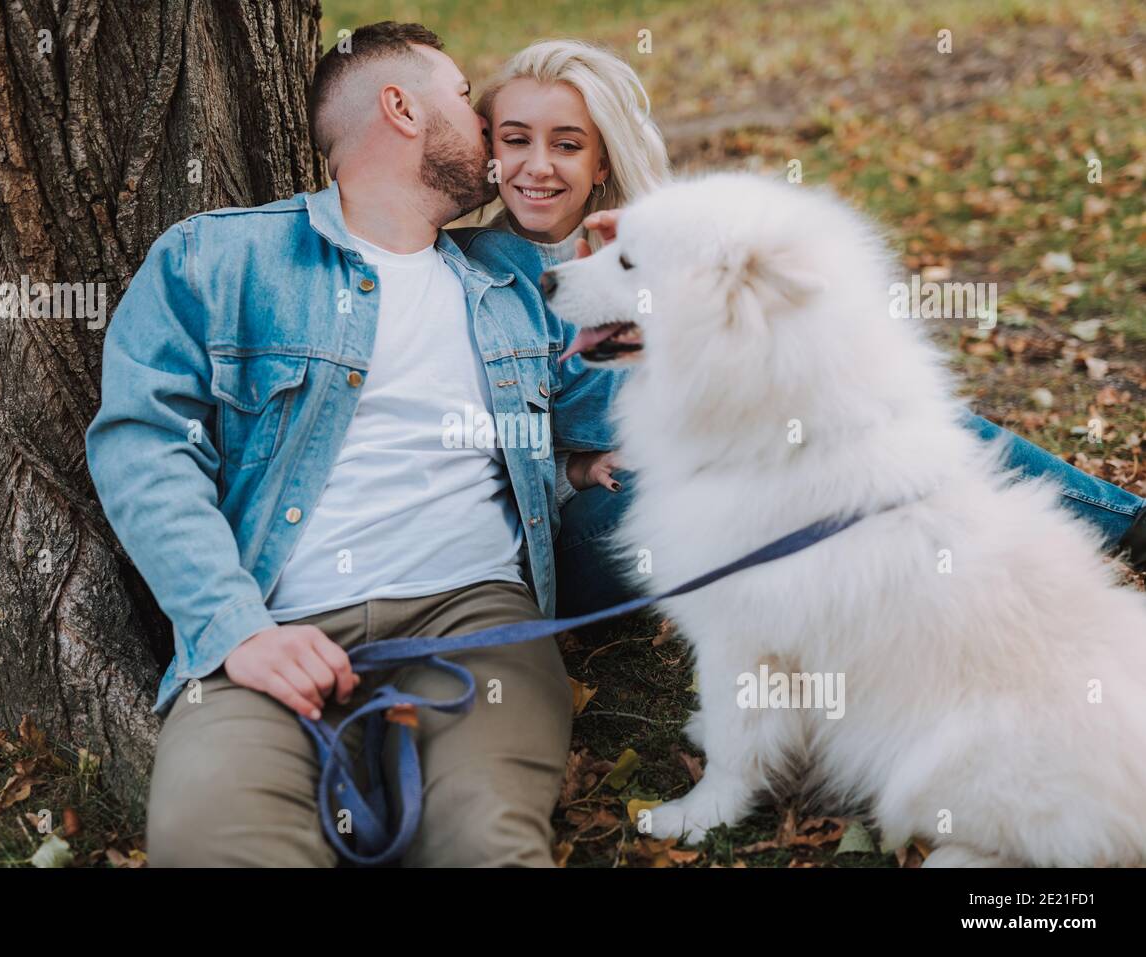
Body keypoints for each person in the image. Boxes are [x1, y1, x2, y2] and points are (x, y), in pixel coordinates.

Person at [85, 21, 626, 866]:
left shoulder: (514, 279)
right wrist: (235, 628)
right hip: (271, 626)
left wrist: (618, 277)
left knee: (485, 841)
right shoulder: (220, 258)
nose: (487, 128)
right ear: (403, 108)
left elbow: (618, 430)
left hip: (475, 621)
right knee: (215, 842)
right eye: (464, 97)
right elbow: (142, 447)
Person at [472, 38, 1146, 616]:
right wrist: (578, 469)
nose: (538, 165)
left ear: (602, 161)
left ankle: (1124, 525)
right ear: (492, 151)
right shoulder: (483, 276)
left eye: (566, 144)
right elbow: (491, 460)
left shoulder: (664, 243)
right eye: (515, 140)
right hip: (603, 521)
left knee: (873, 422)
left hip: (724, 463)